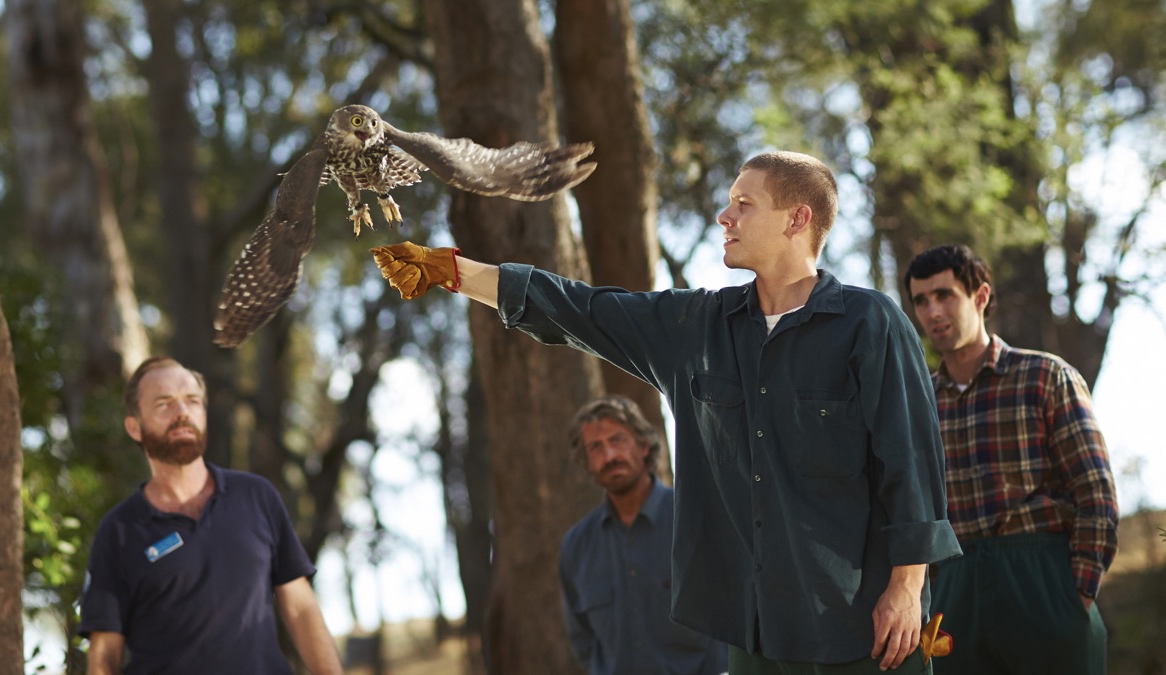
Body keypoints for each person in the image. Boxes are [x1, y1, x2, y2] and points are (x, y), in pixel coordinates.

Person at [371, 150, 962, 674]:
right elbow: (583, 310)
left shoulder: (869, 323)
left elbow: (910, 461)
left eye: (742, 203)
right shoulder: (695, 328)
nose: (723, 216)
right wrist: (451, 271)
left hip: (862, 626)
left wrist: (908, 586)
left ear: (797, 218)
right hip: (753, 634)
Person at [904, 244, 1118, 674]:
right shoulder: (915, 402)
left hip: (1044, 582)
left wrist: (1077, 592)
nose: (932, 312)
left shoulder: (1045, 377)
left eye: (945, 295)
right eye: (921, 301)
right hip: (955, 596)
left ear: (980, 297)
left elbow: (1095, 492)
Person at [79, 356, 343, 675]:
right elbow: (105, 653)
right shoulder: (118, 532)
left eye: (192, 401)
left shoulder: (256, 496)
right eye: (164, 403)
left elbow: (301, 608)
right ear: (134, 426)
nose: (182, 413)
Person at [560, 396, 728, 675]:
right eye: (596, 448)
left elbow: (730, 619)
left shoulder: (694, 520)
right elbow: (582, 640)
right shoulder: (576, 546)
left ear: (644, 445)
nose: (610, 456)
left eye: (618, 440)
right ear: (586, 462)